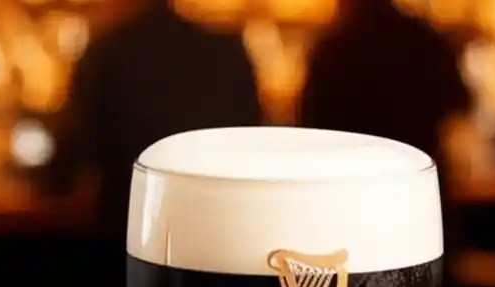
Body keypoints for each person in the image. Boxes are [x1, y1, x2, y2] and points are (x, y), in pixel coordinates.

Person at [48, 0, 263, 241]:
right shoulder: (229, 54)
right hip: (225, 243)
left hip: (132, 243)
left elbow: (62, 170)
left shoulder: (107, 54)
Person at [299, 0, 470, 167]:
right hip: (414, 176)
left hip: (350, 178)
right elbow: (460, 103)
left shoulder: (331, 48)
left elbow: (308, 124)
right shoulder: (424, 38)